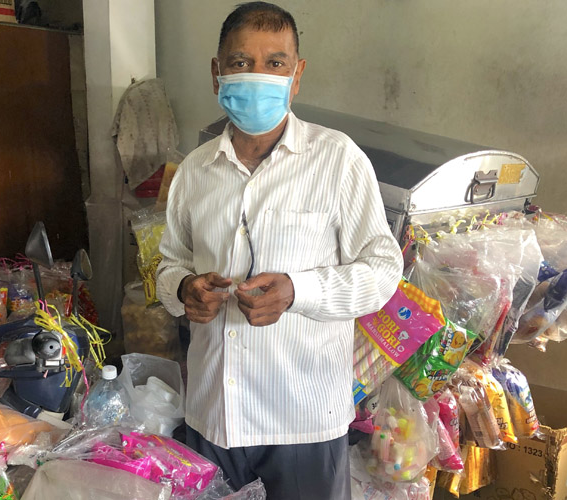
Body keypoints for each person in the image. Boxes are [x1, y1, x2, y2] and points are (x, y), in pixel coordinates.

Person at [156, 2, 403, 499]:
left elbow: (381, 270)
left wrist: (298, 291)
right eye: (241, 62)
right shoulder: (194, 172)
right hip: (213, 416)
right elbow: (169, 263)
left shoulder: (337, 160)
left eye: (275, 63)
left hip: (303, 421)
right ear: (217, 73)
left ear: (297, 74)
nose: (258, 76)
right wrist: (183, 289)